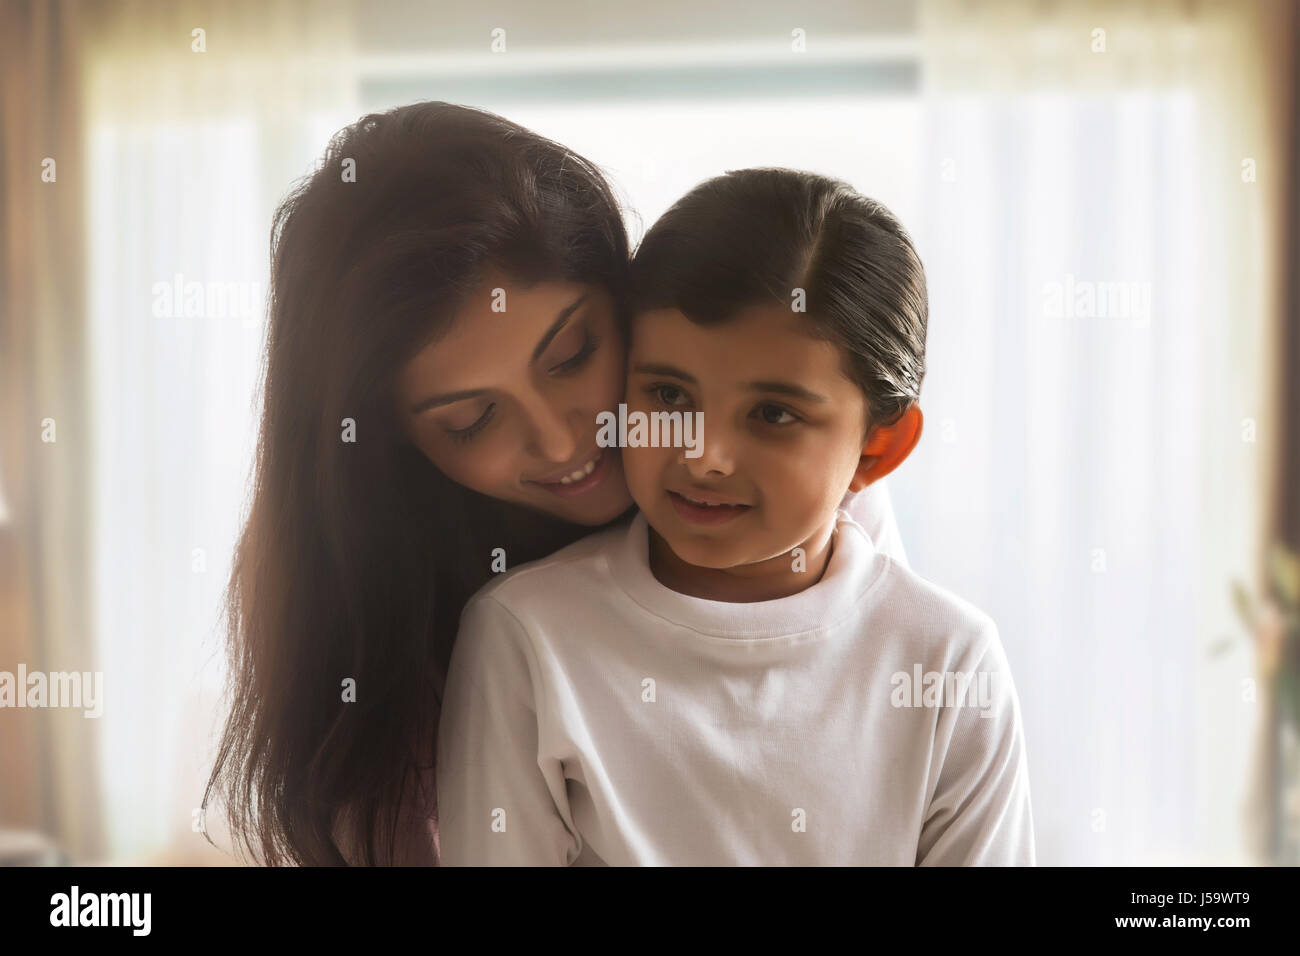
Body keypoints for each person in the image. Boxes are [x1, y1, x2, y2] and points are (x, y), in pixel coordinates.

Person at [202, 102, 910, 866]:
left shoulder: (799, 501)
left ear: (627, 296)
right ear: (391, 441)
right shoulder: (367, 613)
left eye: (572, 354)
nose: (562, 438)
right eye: (471, 420)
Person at [436, 168, 1035, 865]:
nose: (704, 455)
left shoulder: (951, 661)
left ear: (879, 445)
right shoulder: (524, 637)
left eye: (773, 414)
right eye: (668, 394)